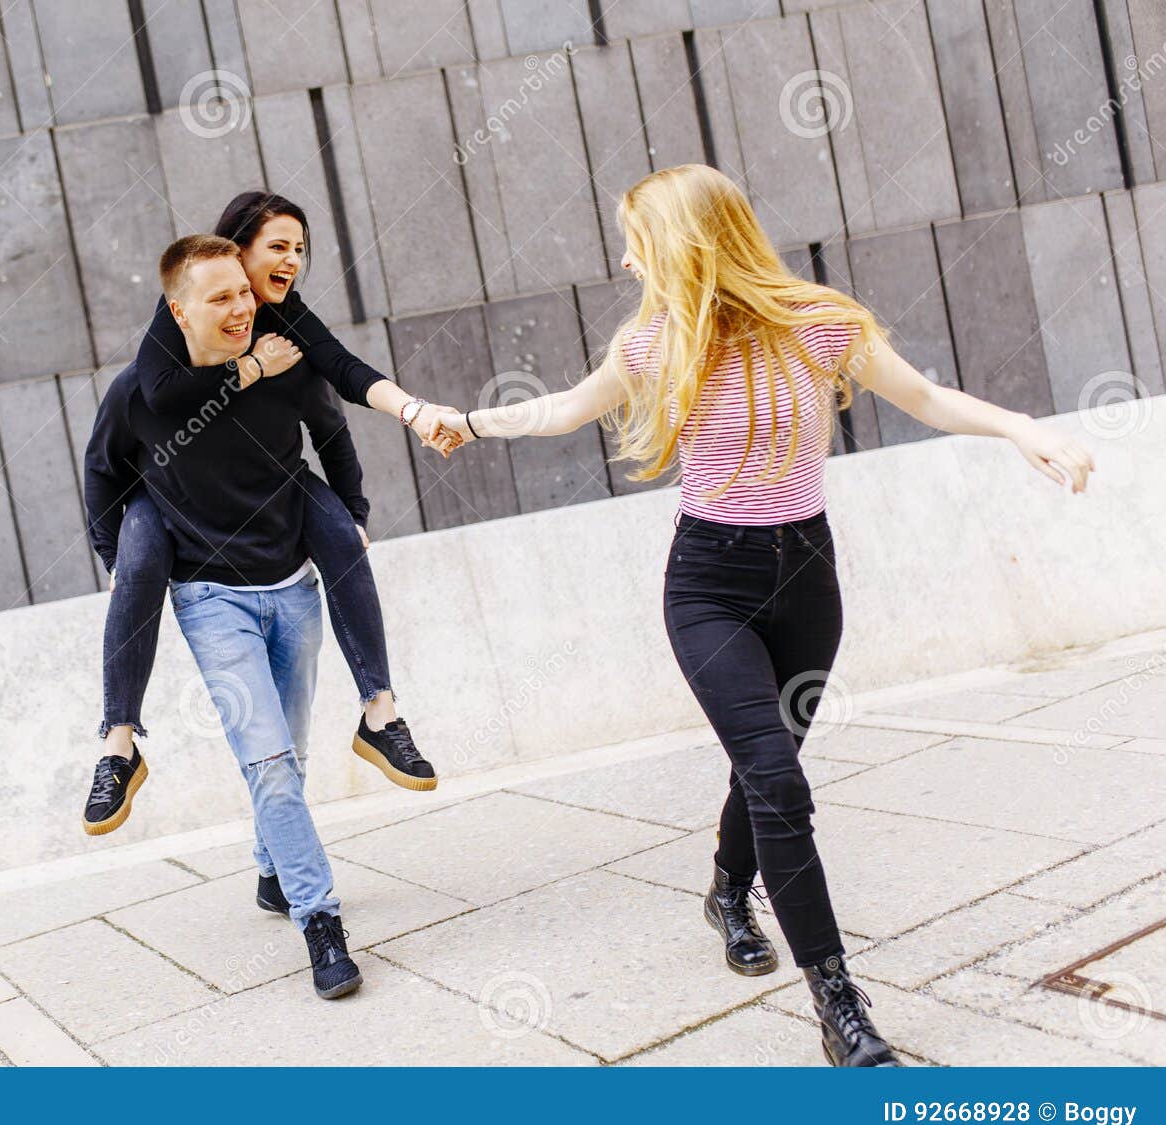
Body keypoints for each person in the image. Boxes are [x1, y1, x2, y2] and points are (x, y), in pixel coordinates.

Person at [429, 163, 1094, 1065]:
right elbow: (563, 411)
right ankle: (839, 1004)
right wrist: (471, 421)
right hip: (708, 585)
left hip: (806, 578)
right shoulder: (652, 344)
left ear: (685, 243)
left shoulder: (820, 324)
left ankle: (726, 890)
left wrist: (1027, 429)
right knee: (777, 777)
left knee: (768, 767)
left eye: (635, 240)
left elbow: (928, 398)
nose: (625, 261)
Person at [84, 234, 406, 998]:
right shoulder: (139, 392)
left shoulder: (282, 365)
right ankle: (320, 922)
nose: (238, 308)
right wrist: (120, 564)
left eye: (243, 292)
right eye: (218, 296)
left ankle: (271, 871)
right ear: (177, 310)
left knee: (285, 757)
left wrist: (352, 513)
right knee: (266, 759)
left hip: (293, 586)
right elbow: (102, 476)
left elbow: (334, 434)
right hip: (208, 598)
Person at [85, 191, 456, 843]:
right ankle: (119, 745)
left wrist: (413, 414)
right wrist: (251, 368)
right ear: (236, 250)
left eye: (300, 250)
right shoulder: (175, 322)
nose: (290, 262)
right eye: (277, 248)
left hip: (277, 492)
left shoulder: (287, 322)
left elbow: (343, 380)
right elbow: (156, 400)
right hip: (170, 495)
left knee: (341, 529)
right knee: (136, 557)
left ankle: (380, 712)